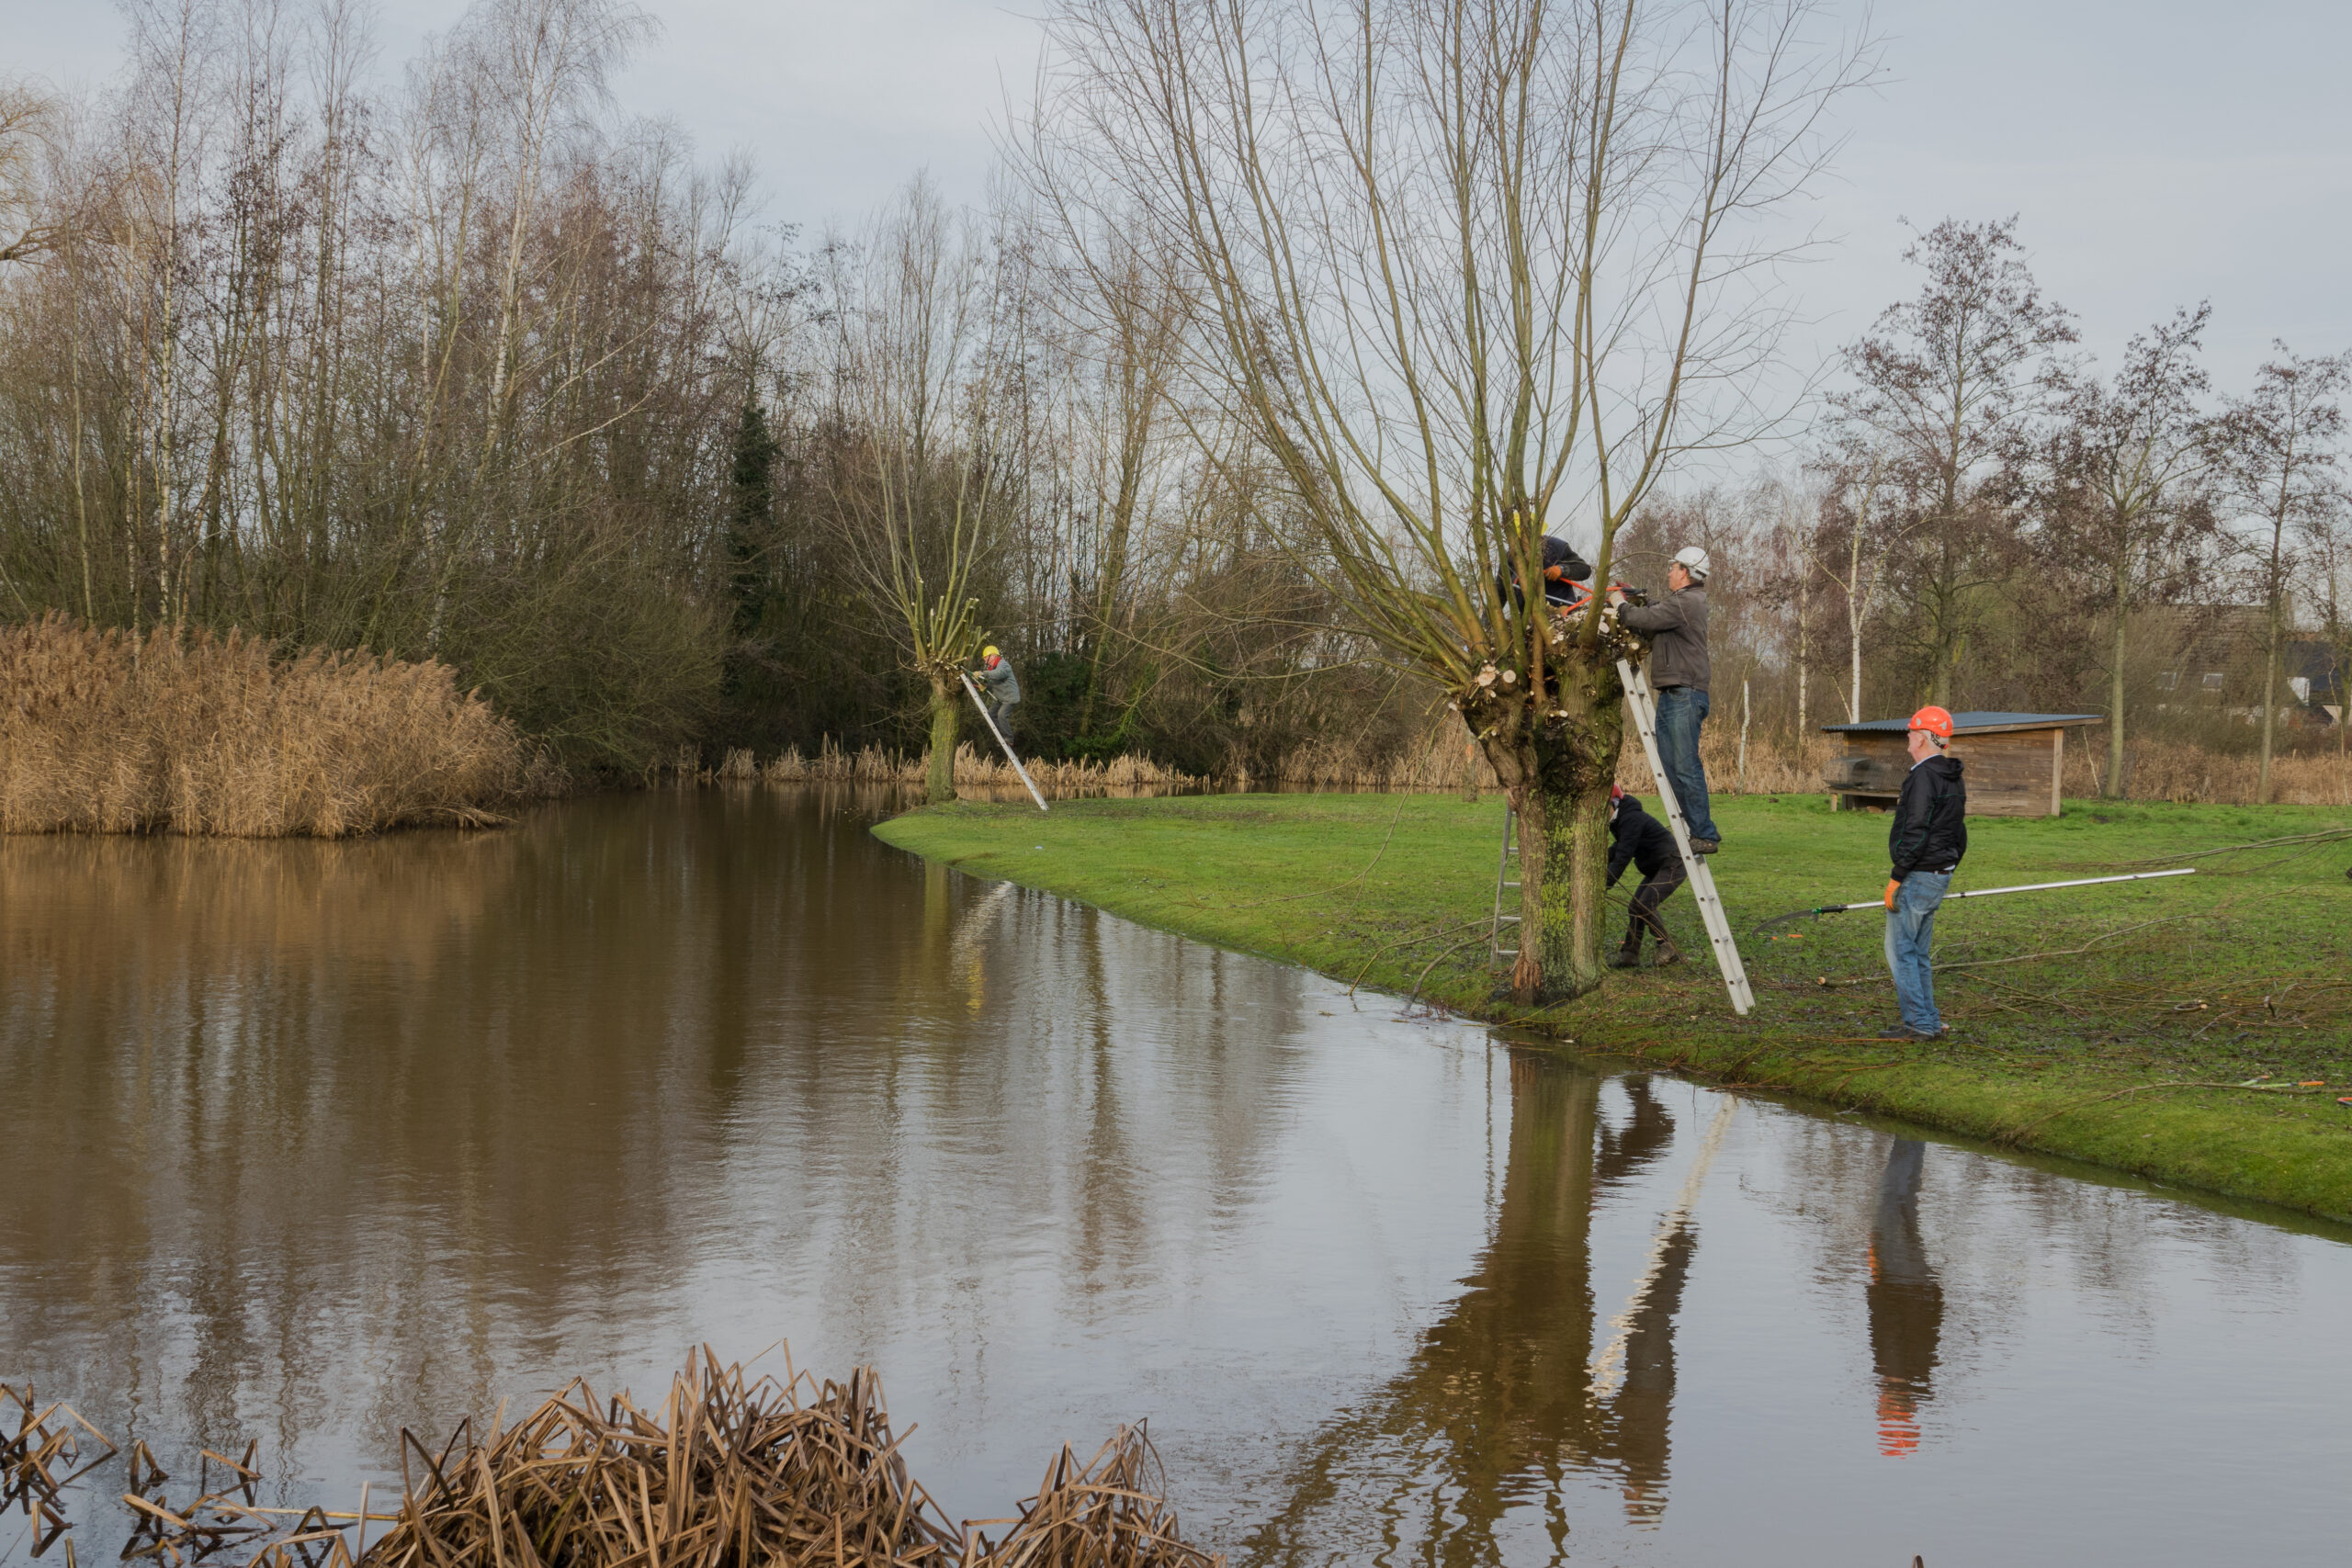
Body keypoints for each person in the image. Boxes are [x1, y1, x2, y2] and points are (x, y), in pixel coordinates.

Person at [1608, 547, 1718, 852]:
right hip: (1674, 693)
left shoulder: (1688, 602)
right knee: (1671, 766)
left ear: (1685, 571)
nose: (1668, 572)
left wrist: (1620, 604)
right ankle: (1693, 828)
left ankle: (1705, 834)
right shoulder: (1682, 603)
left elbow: (1646, 619)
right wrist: (1635, 594)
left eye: (1672, 567)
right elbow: (1659, 610)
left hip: (1685, 693)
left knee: (1685, 766)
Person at [1883, 705, 1967, 1041]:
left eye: (1911, 732)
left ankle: (1919, 1025)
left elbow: (1915, 829)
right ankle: (1928, 1021)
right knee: (1917, 951)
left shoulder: (1922, 777)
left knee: (1901, 951)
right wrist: (1949, 864)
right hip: (1938, 873)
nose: (1907, 737)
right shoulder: (1951, 775)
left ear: (1922, 737)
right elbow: (1958, 832)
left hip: (1919, 875)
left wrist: (1897, 876)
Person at [1606, 785, 1686, 968]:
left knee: (1645, 904)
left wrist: (1605, 883)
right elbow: (1619, 847)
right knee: (1635, 907)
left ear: (1613, 803)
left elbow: (1623, 856)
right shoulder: (1621, 820)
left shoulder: (1631, 818)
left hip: (1672, 864)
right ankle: (1629, 956)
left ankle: (1667, 947)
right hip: (1657, 867)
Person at [1497, 532, 1594, 612]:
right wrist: (1487, 624)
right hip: (1528, 621)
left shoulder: (1556, 547)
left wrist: (1562, 570)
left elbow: (1584, 570)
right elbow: (1499, 595)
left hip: (1564, 612)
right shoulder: (1509, 560)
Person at [971, 645, 1020, 743]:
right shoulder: (993, 668)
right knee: (990, 715)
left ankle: (1009, 738)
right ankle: (1002, 735)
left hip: (1009, 698)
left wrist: (983, 673)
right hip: (1000, 698)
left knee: (1001, 715)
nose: (985, 661)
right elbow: (994, 682)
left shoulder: (1003, 665)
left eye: (986, 658)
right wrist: (986, 687)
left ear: (993, 656)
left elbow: (999, 674)